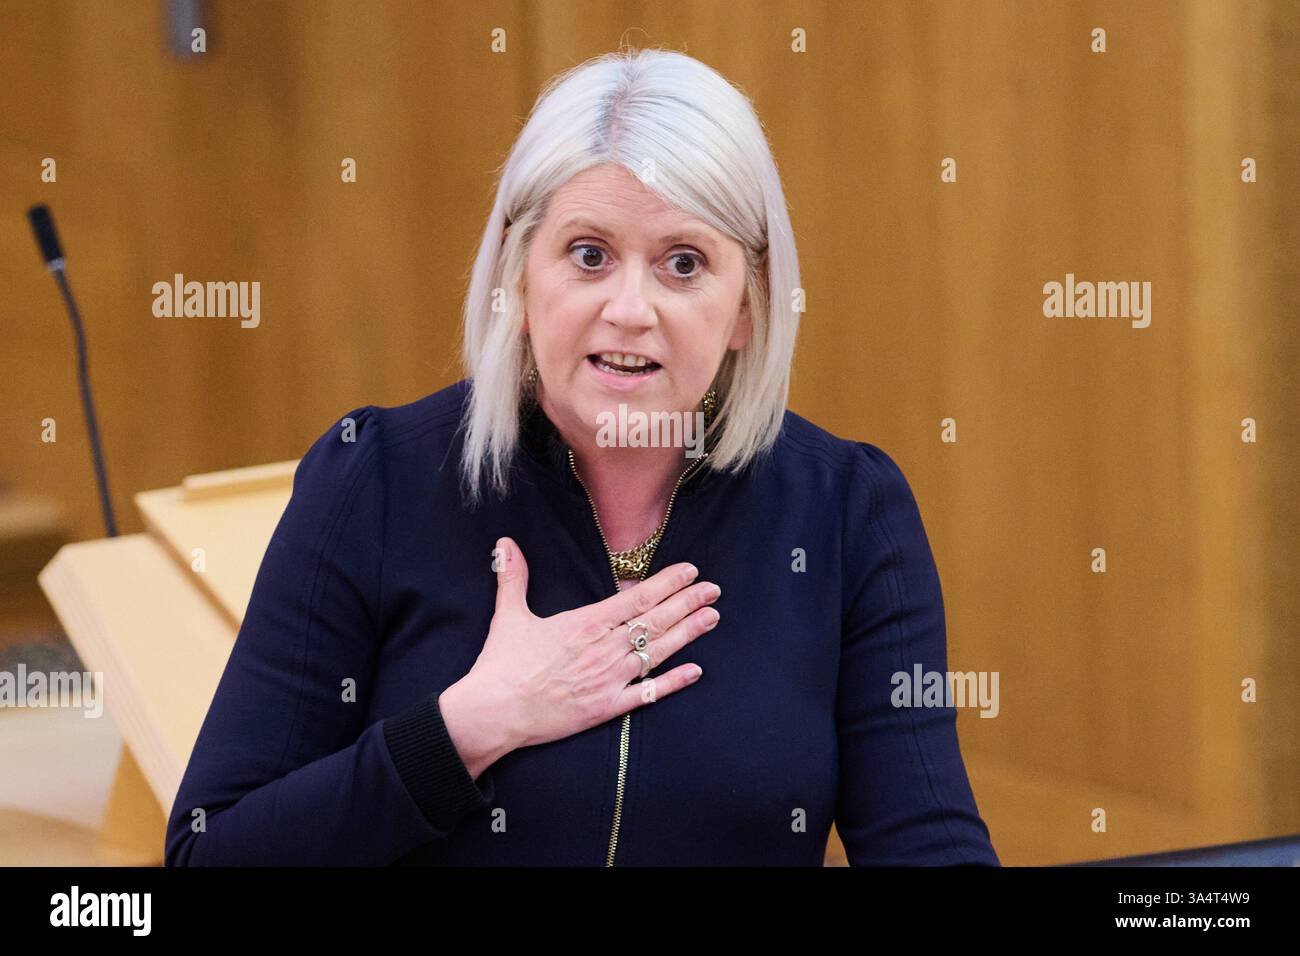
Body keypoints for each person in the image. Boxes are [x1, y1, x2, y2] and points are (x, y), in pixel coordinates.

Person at [164, 47, 999, 866]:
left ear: (748, 304)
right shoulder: (374, 480)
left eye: (683, 264)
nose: (630, 309)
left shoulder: (847, 512)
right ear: (519, 277)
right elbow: (209, 852)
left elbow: (928, 844)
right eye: (589, 254)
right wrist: (472, 726)